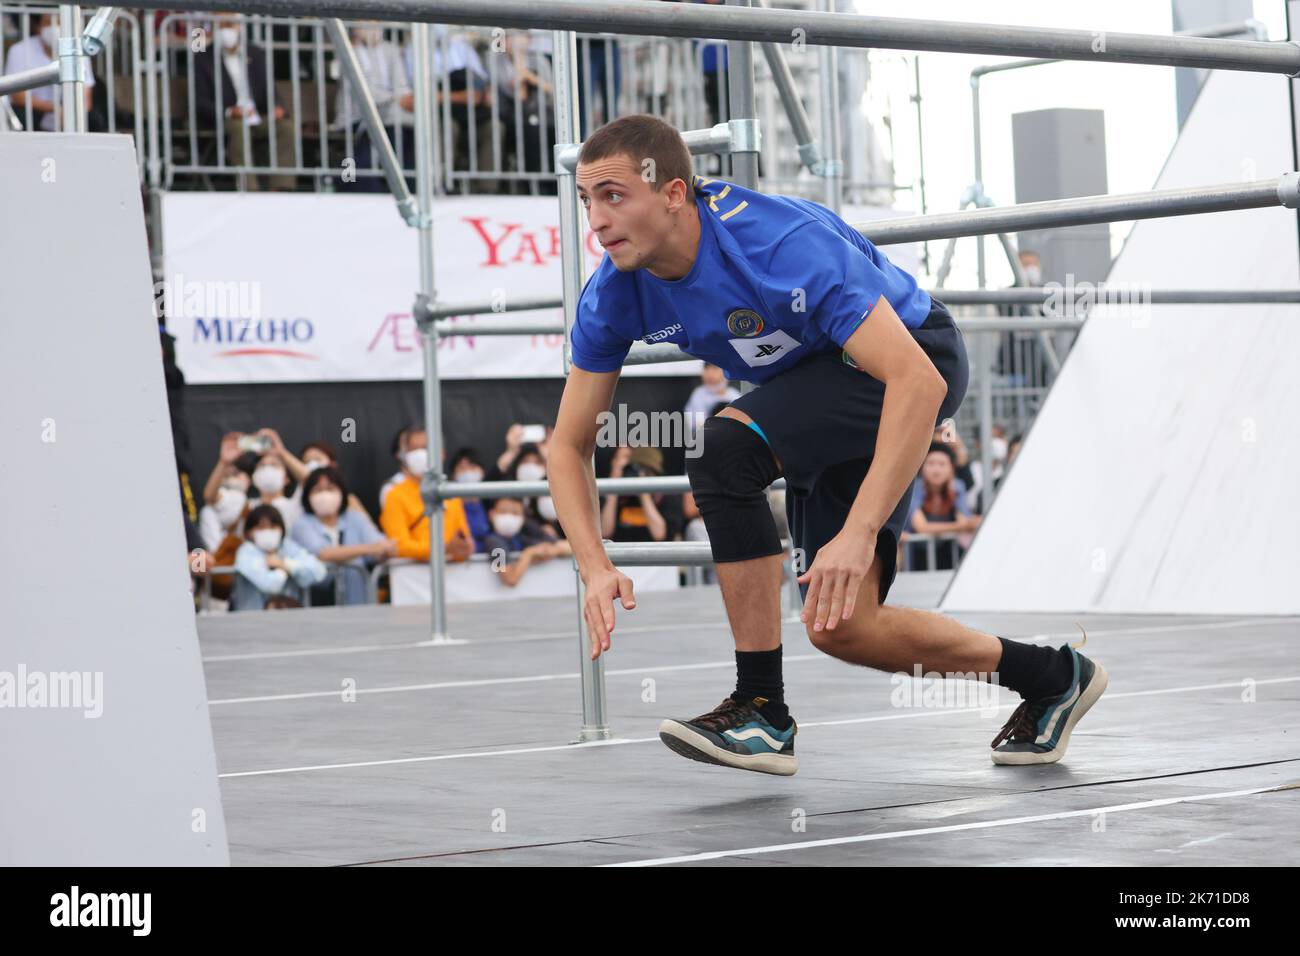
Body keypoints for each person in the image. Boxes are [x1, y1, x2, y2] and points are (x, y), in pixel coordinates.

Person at [546, 114, 1107, 775]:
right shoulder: (614, 293)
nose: (597, 221)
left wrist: (860, 531)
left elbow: (916, 381)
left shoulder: (776, 242)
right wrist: (594, 565)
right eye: (587, 201)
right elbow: (567, 445)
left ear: (672, 193)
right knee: (843, 627)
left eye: (614, 196)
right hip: (813, 391)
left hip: (909, 361)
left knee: (724, 449)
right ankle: (1052, 677)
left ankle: (760, 707)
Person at [290, 466, 396, 605]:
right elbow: (322, 554)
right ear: (307, 495)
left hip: (357, 602)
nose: (325, 495)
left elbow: (381, 546)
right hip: (317, 603)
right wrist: (367, 549)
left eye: (330, 488)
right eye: (318, 490)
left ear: (342, 492)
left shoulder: (355, 518)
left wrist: (382, 551)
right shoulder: (301, 524)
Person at [232, 505, 328, 611]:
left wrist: (286, 565)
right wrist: (283, 570)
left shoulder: (287, 547)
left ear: (282, 529)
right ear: (249, 532)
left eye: (273, 526)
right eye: (261, 527)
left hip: (291, 619)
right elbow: (270, 585)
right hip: (253, 619)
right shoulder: (245, 552)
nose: (267, 531)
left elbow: (319, 571)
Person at [905, 443, 980, 571]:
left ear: (951, 468)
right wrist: (963, 526)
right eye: (931, 463)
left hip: (950, 555)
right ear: (922, 467)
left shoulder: (957, 487)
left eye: (942, 464)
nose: (936, 470)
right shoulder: (913, 489)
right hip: (918, 556)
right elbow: (922, 527)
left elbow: (963, 519)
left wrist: (965, 524)